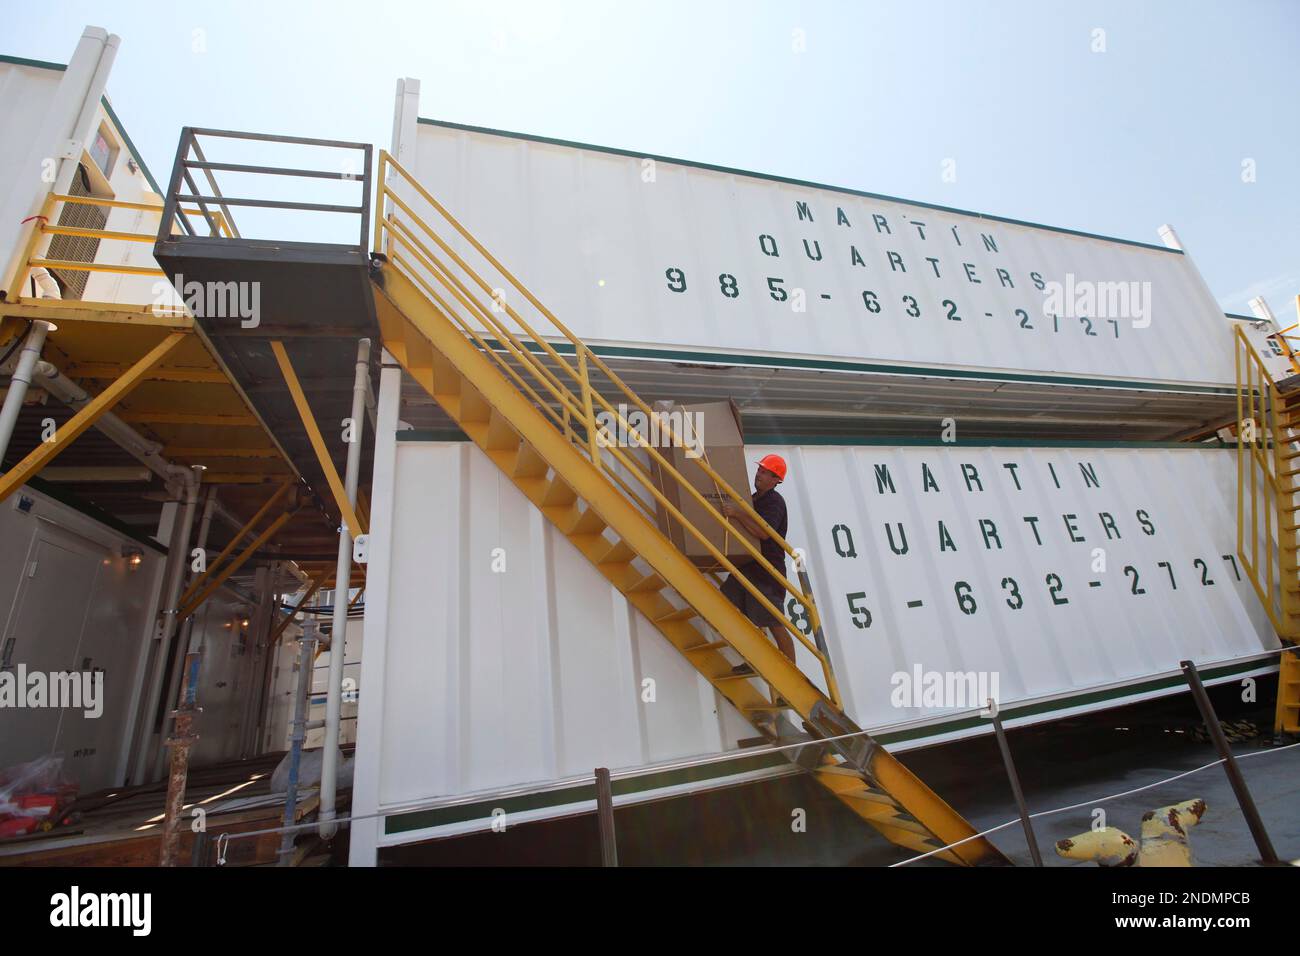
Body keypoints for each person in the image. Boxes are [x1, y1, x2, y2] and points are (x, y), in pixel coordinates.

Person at [718, 454, 795, 676]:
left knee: (774, 623)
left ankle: (791, 675)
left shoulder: (774, 502)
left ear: (776, 480)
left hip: (767, 572)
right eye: (760, 470)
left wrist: (738, 513)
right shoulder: (753, 499)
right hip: (749, 567)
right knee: (734, 606)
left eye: (765, 473)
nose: (759, 475)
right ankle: (755, 660)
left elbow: (763, 532)